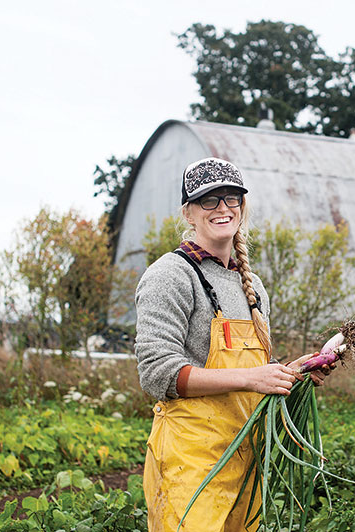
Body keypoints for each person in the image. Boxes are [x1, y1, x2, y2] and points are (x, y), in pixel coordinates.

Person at [135, 157, 332, 532]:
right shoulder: (170, 275)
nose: (223, 208)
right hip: (191, 459)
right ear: (189, 213)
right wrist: (250, 378)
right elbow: (157, 374)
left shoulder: (253, 285)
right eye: (209, 200)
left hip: (245, 455)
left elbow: (254, 375)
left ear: (243, 206)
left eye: (232, 198)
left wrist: (294, 372)